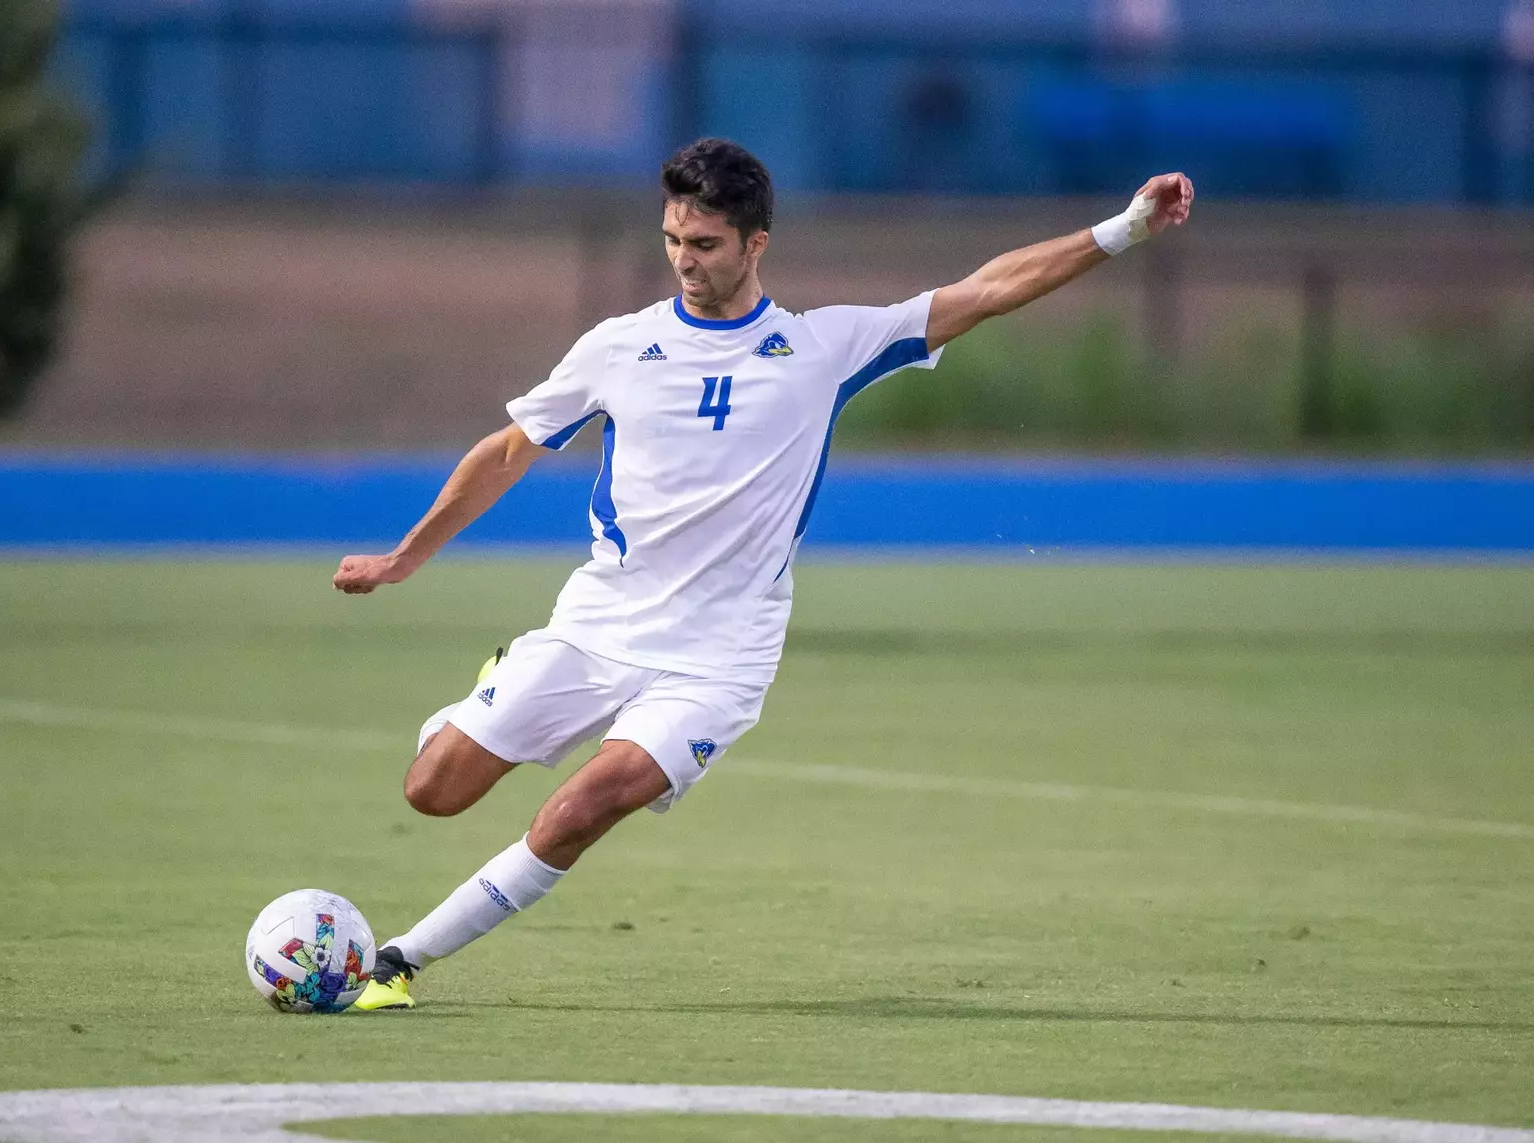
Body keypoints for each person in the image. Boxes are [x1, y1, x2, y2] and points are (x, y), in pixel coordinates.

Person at [332, 138, 1193, 1010]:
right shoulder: (620, 348)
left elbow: (985, 291)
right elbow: (512, 448)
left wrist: (1123, 229)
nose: (683, 260)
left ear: (755, 245)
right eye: (673, 239)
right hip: (598, 624)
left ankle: (401, 958)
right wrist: (409, 554)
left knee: (582, 808)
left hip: (720, 658)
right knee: (432, 790)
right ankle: (500, 680)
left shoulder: (824, 347)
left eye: (704, 244)